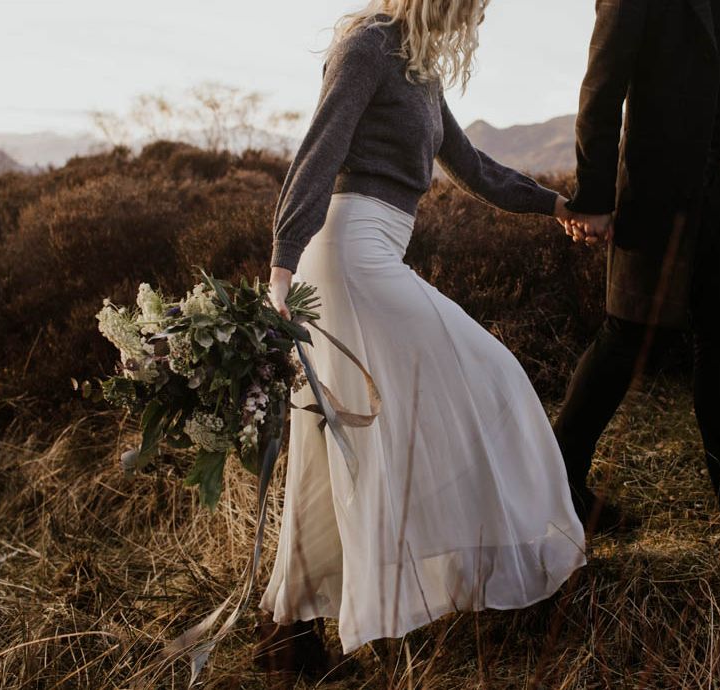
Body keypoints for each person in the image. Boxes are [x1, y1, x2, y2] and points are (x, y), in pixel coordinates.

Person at [261, 0, 586, 667]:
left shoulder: (420, 65)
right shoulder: (368, 48)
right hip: (348, 257)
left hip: (375, 254)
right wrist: (280, 271)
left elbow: (474, 166)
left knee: (333, 444)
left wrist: (555, 205)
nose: (475, 13)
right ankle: (480, 570)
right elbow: (317, 154)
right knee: (490, 376)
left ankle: (290, 636)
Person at [555, 0, 720, 527]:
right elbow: (603, 82)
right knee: (629, 335)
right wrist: (594, 194)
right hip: (659, 191)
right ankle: (557, 483)